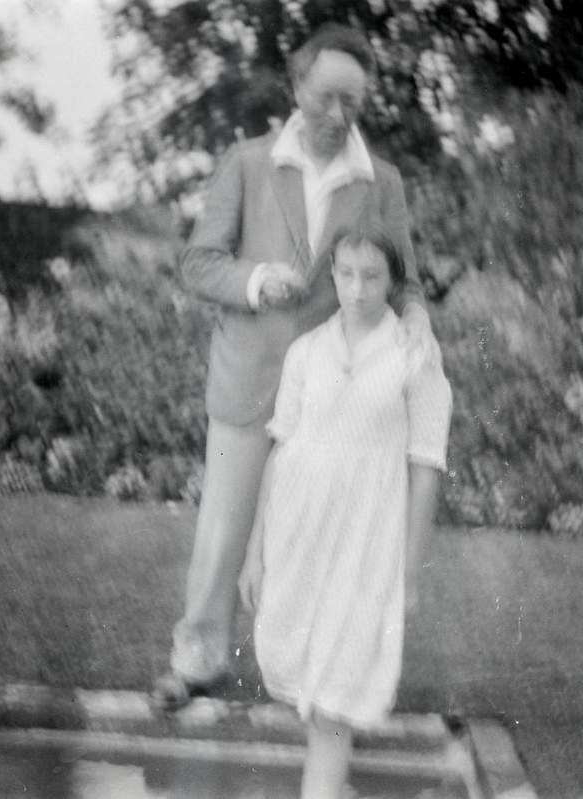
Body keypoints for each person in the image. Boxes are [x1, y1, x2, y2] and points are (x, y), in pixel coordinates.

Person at [154, 22, 432, 709]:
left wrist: (418, 318)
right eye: (326, 97)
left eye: (354, 104)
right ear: (297, 87)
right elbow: (198, 261)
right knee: (224, 530)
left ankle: (308, 674)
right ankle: (196, 660)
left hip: (331, 390)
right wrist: (253, 282)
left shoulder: (381, 183)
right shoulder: (246, 163)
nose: (339, 116)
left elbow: (407, 282)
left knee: (316, 533)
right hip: (247, 376)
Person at [238, 218, 452, 799]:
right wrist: (255, 552)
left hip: (366, 536)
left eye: (372, 276)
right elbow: (280, 449)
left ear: (393, 280)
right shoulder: (307, 350)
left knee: (336, 691)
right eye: (347, 274)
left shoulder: (414, 355)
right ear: (331, 274)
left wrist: (409, 571)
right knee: (309, 681)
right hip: (298, 530)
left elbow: (426, 463)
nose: (357, 289)